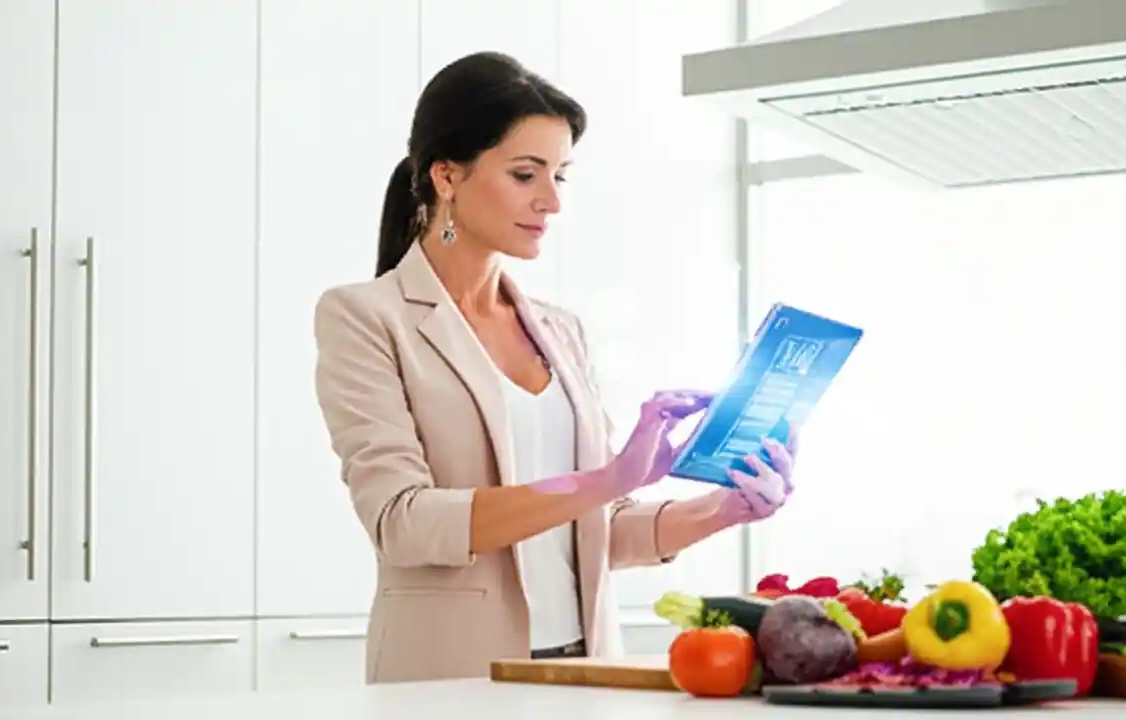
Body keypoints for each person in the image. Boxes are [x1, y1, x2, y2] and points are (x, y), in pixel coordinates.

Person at [313, 51, 797, 685]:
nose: (551, 202)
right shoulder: (366, 317)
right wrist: (604, 479)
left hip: (585, 668)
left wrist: (725, 508)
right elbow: (405, 523)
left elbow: (598, 530)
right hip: (450, 679)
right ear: (447, 176)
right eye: (524, 174)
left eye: (560, 176)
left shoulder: (559, 330)